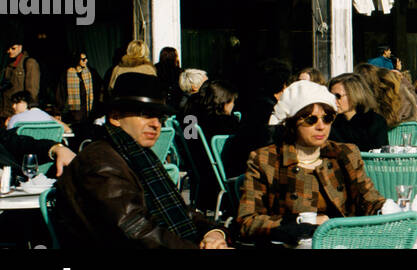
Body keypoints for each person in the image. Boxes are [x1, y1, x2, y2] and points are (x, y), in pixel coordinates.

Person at [53, 74, 228, 249]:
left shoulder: (136, 154)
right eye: (146, 115)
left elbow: (180, 210)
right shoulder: (100, 161)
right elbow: (135, 231)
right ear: (115, 117)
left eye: (160, 117)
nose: (156, 124)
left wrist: (212, 233)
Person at [235, 80, 387, 245]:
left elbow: (369, 199)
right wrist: (300, 222)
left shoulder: (345, 153)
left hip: (344, 243)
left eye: (327, 118)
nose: (321, 126)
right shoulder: (265, 160)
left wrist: (387, 209)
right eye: (311, 120)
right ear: (292, 123)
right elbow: (247, 221)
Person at [222, 57, 291, 179]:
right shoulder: (272, 111)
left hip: (237, 166)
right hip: (252, 171)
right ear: (284, 85)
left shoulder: (253, 105)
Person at [184, 79, 240, 211]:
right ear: (223, 102)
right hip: (222, 180)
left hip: (201, 176)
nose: (233, 105)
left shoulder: (189, 116)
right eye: (232, 101)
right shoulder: (225, 123)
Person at [326, 72, 389, 152]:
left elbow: (379, 156)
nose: (333, 101)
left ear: (354, 94)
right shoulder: (330, 121)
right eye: (331, 96)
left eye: (338, 96)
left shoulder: (375, 122)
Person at [0, 41, 41, 122]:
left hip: (20, 113)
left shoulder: (29, 63)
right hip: (7, 112)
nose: (9, 51)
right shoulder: (9, 65)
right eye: (8, 49)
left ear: (20, 47)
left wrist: (25, 113)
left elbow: (32, 92)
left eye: (13, 48)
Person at [59, 51, 97, 126]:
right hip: (74, 111)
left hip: (88, 110)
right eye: (83, 59)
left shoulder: (91, 72)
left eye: (86, 58)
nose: (86, 61)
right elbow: (61, 92)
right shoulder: (67, 74)